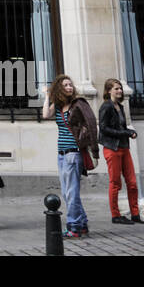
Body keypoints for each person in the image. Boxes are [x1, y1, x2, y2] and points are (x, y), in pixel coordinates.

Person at [41, 74, 98, 238]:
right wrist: (47, 96)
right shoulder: (58, 107)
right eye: (65, 85)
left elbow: (91, 124)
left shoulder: (78, 104)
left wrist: (93, 149)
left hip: (73, 153)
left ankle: (74, 226)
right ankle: (82, 223)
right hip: (61, 154)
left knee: (71, 192)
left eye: (70, 85)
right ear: (59, 88)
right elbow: (45, 115)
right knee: (67, 192)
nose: (69, 87)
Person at [99, 78, 144, 225]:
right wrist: (124, 133)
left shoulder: (120, 106)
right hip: (112, 148)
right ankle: (115, 215)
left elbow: (121, 127)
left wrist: (130, 132)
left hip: (124, 148)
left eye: (120, 88)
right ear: (109, 91)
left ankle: (135, 213)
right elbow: (103, 128)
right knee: (115, 183)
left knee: (132, 182)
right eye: (116, 89)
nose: (120, 91)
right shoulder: (106, 107)